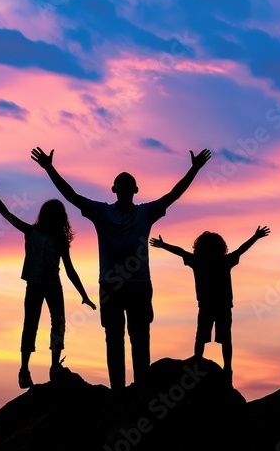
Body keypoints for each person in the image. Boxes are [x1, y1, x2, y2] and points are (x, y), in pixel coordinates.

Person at [30, 146, 212, 393]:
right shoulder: (102, 211)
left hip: (137, 284)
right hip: (111, 286)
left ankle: (140, 391)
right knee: (115, 339)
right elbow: (71, 195)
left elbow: (174, 194)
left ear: (135, 190)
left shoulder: (145, 212)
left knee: (139, 338)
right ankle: (119, 393)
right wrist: (49, 168)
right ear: (114, 190)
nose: (125, 188)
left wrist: (195, 169)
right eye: (121, 185)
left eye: (129, 185)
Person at [0, 175, 96, 388]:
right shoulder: (31, 232)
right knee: (31, 325)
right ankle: (24, 369)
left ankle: (54, 366)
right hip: (34, 285)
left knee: (57, 324)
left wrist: (84, 295)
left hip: (52, 286)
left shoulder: (60, 241)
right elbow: (7, 215)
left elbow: (69, 270)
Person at [149, 226, 270, 383]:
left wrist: (164, 245)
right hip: (220, 306)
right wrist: (255, 237)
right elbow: (241, 250)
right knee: (222, 338)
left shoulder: (199, 261)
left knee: (205, 337)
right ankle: (225, 369)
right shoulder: (222, 261)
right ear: (221, 247)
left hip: (212, 306)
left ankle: (203, 365)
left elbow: (181, 252)